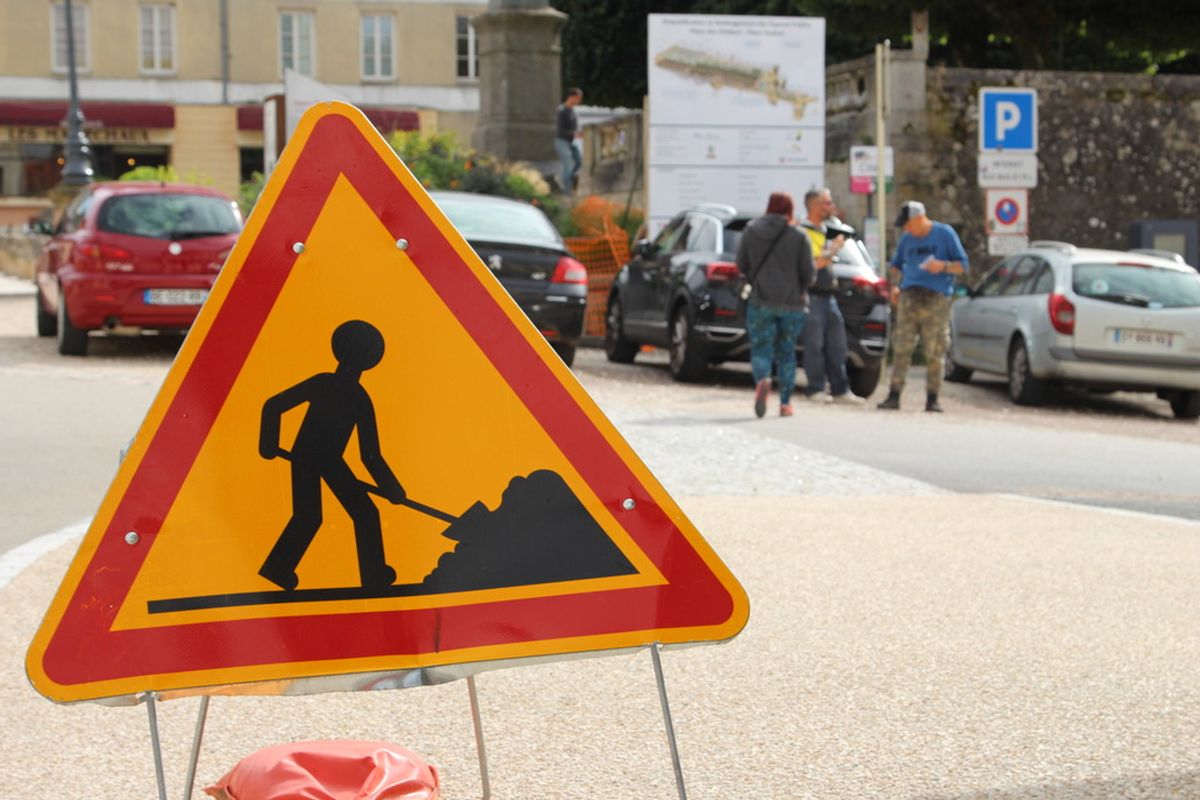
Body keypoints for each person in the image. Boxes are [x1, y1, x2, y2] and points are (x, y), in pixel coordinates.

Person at [258, 320, 406, 591]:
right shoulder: (346, 392)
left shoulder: (347, 392)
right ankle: (279, 568)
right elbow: (274, 405)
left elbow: (370, 454)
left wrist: (392, 488)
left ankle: (372, 574)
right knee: (315, 515)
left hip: (327, 460)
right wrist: (267, 444)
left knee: (357, 513)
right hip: (307, 457)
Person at [877, 201, 968, 413]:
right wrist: (894, 287)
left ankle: (933, 398)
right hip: (910, 295)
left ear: (920, 218)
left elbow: (963, 265)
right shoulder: (907, 238)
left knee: (935, 349)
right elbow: (896, 265)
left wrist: (943, 266)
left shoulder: (944, 234)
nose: (906, 229)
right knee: (901, 347)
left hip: (936, 298)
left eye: (908, 224)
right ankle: (894, 395)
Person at [736, 191, 814, 418]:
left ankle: (763, 379)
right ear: (790, 209)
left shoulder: (751, 230)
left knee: (761, 348)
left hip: (760, 300)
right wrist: (801, 288)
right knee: (787, 351)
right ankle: (786, 403)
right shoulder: (799, 235)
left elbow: (741, 264)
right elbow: (808, 273)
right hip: (792, 303)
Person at [797, 187, 863, 405]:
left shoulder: (824, 229)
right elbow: (816, 262)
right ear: (814, 206)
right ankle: (815, 388)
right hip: (813, 295)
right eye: (827, 203)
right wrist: (835, 248)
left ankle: (840, 389)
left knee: (837, 344)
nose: (831, 206)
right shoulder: (804, 231)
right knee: (814, 345)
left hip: (829, 296)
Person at [555, 87, 584, 196]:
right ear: (572, 97)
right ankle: (567, 192)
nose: (579, 101)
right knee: (568, 164)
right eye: (578, 98)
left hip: (571, 142)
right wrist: (574, 133)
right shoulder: (561, 110)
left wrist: (578, 133)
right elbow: (560, 129)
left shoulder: (573, 111)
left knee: (578, 161)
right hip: (562, 141)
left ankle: (562, 178)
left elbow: (575, 127)